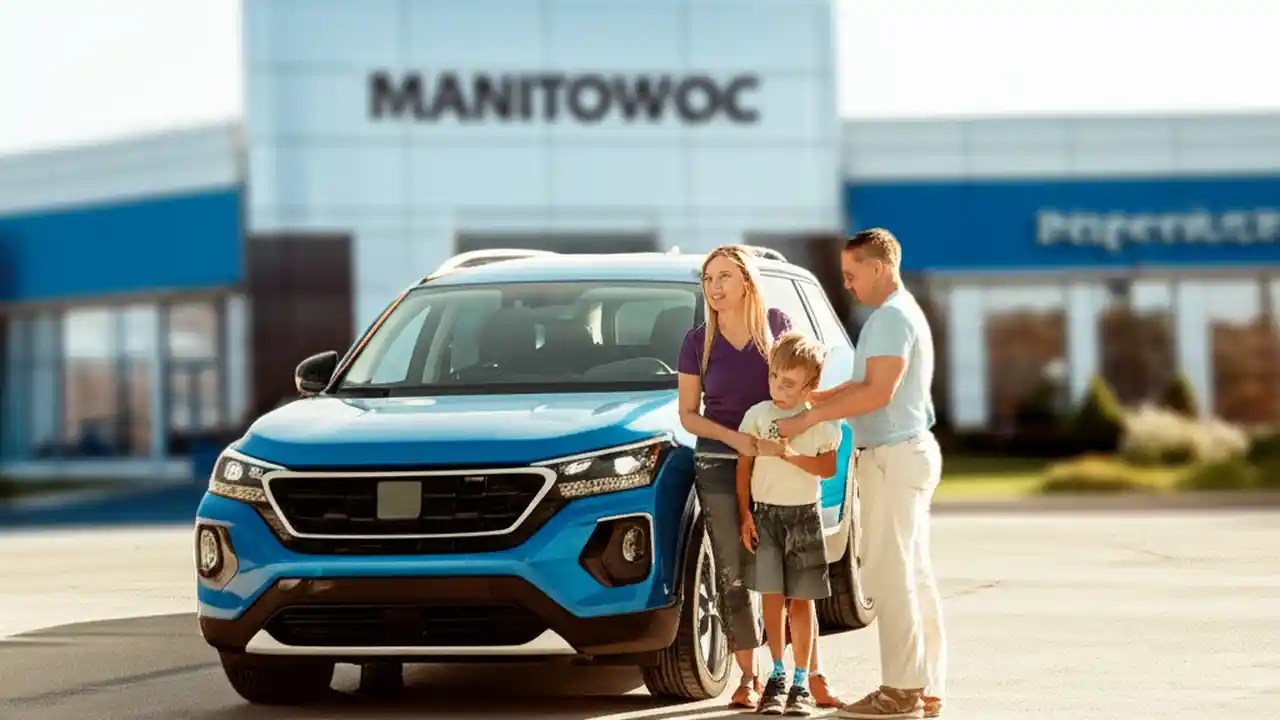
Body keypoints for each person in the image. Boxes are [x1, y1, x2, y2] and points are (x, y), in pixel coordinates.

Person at [776, 229, 946, 719]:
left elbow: (878, 393)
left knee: (889, 575)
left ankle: (901, 691)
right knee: (913, 573)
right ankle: (926, 686)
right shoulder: (896, 315)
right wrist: (818, 398)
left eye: (852, 274)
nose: (847, 284)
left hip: (893, 458)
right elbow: (861, 385)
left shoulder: (891, 318)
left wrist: (807, 418)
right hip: (904, 453)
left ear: (878, 267)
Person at [676, 244, 845, 710]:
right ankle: (750, 678)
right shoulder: (696, 341)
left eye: (724, 276)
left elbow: (802, 380)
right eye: (708, 278)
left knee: (794, 579)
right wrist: (735, 441)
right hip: (720, 458)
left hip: (779, 460)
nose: (714, 286)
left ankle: (810, 674)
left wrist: (803, 432)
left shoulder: (775, 325)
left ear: (747, 281)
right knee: (734, 572)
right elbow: (688, 415)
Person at [736, 331, 842, 716]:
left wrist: (789, 454)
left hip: (804, 517)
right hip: (765, 515)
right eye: (774, 377)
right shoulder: (758, 415)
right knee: (772, 597)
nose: (777, 388)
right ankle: (776, 674)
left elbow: (828, 469)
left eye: (789, 383)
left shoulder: (823, 424)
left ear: (810, 386)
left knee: (803, 599)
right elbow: (744, 465)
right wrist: (745, 513)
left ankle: (801, 679)